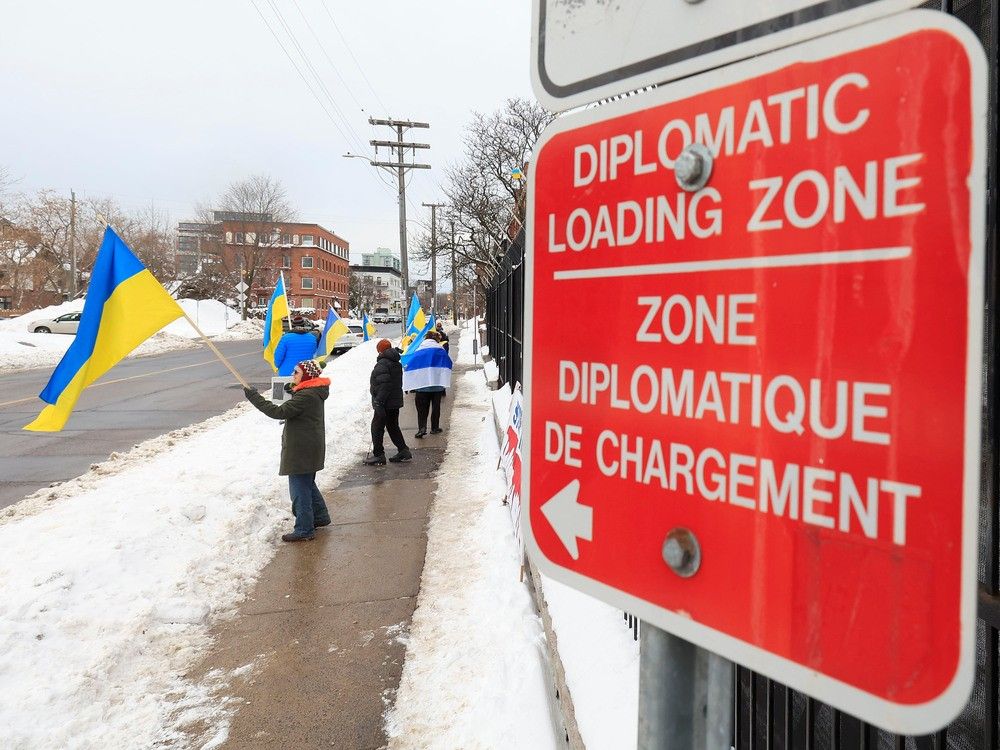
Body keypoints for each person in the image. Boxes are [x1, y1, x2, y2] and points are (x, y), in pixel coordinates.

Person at [243, 359, 331, 542]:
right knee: (307, 485)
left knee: (299, 490)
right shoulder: (312, 392)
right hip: (309, 446)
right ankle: (320, 516)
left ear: (306, 376)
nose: (293, 375)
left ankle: (304, 529)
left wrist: (254, 397)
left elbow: (278, 412)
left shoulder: (306, 396)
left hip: (301, 449)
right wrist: (294, 390)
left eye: (296, 373)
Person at [366, 338, 411, 465]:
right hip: (393, 401)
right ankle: (403, 450)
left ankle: (379, 455)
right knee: (392, 426)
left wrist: (379, 401)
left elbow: (385, 384)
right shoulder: (395, 361)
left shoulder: (383, 363)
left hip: (385, 401)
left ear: (380, 351)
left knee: (377, 427)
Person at [403, 330, 453, 438]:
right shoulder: (440, 350)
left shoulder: (419, 350)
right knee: (436, 408)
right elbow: (448, 362)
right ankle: (434, 428)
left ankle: (422, 428)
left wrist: (409, 381)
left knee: (422, 408)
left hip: (422, 386)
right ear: (436, 339)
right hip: (437, 386)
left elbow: (410, 365)